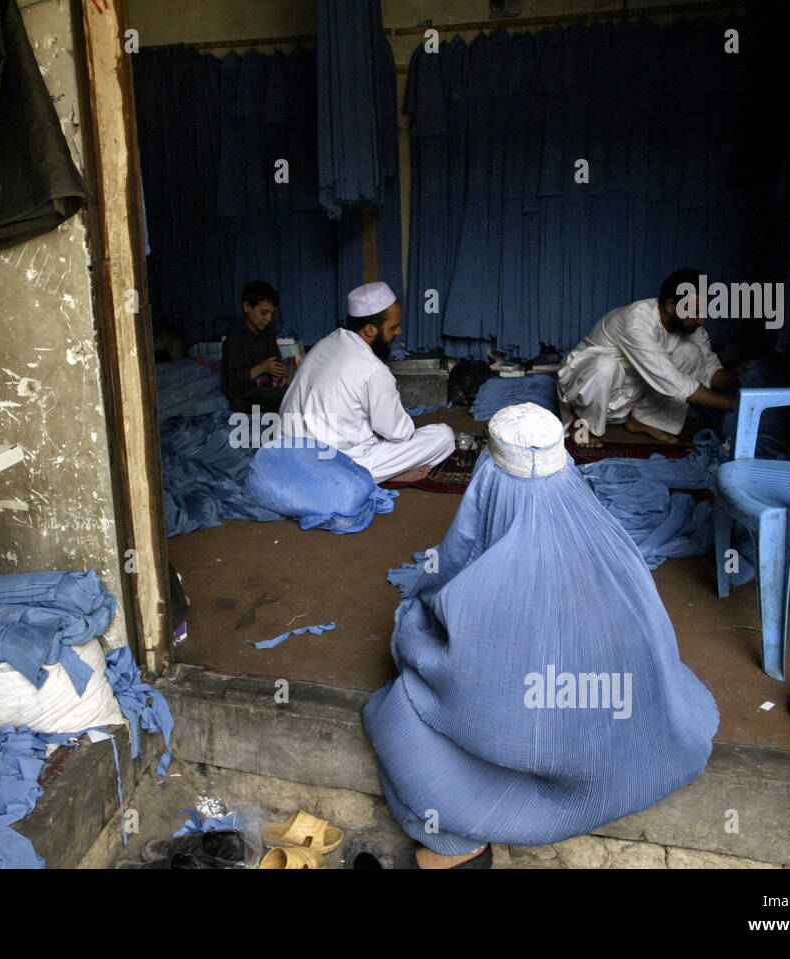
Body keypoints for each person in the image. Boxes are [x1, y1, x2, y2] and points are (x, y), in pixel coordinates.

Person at [363, 403, 719, 868]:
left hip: (534, 737)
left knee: (397, 716)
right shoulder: (618, 550)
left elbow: (464, 679)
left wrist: (414, 633)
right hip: (639, 749)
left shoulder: (481, 588)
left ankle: (457, 851)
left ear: (487, 479)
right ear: (565, 464)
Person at [279, 281, 452, 484]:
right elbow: (400, 433)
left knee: (370, 422)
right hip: (329, 465)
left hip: (286, 454)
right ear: (370, 330)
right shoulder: (374, 370)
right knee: (444, 436)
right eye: (393, 327)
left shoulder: (325, 343)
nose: (398, 333)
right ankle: (386, 475)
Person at [557, 268, 752, 447]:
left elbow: (710, 376)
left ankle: (644, 421)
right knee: (605, 365)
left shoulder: (692, 329)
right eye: (697, 312)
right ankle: (580, 426)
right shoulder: (637, 322)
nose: (702, 320)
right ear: (671, 305)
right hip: (587, 394)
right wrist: (739, 404)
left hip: (627, 400)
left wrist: (734, 373)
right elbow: (676, 385)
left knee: (691, 352)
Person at [221, 280, 290, 415]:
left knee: (299, 390)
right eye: (264, 313)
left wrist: (285, 370)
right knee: (287, 397)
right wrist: (262, 368)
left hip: (269, 389)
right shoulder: (234, 339)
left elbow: (276, 364)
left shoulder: (268, 335)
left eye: (272, 313)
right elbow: (232, 382)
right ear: (247, 307)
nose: (269, 319)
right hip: (246, 398)